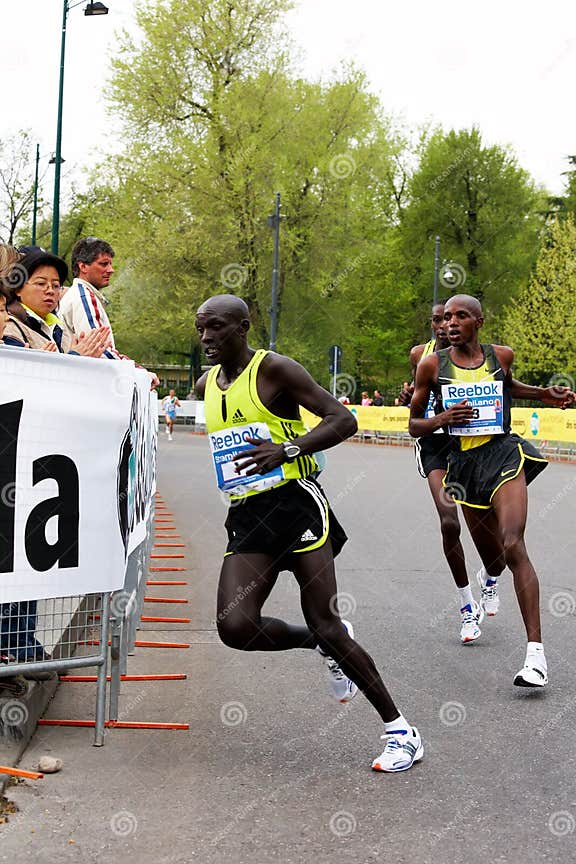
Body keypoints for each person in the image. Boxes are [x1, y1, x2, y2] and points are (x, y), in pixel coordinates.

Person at [195, 293, 423, 772]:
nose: (207, 338)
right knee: (234, 626)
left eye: (216, 327)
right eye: (201, 328)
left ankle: (401, 731)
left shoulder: (275, 370)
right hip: (248, 514)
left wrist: (288, 448)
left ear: (242, 326)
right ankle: (314, 644)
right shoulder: (205, 384)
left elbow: (345, 419)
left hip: (296, 505)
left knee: (327, 621)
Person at [409, 293, 574, 687]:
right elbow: (414, 425)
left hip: (503, 454)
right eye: (446, 317)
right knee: (495, 557)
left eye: (460, 316)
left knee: (514, 542)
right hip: (463, 466)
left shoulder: (502, 355)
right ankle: (486, 580)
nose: (450, 323)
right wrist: (444, 418)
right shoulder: (432, 364)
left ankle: (536, 657)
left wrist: (543, 395)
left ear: (478, 322)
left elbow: (507, 385)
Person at [59, 237, 159, 385]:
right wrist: (138, 373)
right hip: (84, 384)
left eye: (110, 264)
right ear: (83, 267)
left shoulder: (81, 295)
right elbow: (100, 351)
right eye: (104, 264)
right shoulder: (84, 296)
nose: (111, 270)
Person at [3, 249, 110, 357]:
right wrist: (75, 357)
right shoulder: (8, 328)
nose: (50, 291)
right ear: (18, 289)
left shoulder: (58, 328)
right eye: (41, 283)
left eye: (55, 285)